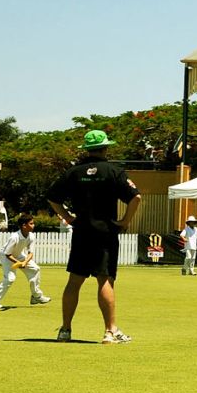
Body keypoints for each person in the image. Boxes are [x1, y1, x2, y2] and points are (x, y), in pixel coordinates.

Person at [46, 129, 142, 344]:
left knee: (74, 281)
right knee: (105, 279)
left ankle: (65, 330)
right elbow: (136, 197)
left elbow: (53, 198)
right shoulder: (114, 171)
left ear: (86, 149)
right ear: (106, 148)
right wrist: (125, 221)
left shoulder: (74, 172)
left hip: (82, 232)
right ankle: (110, 331)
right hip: (106, 233)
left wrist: (68, 218)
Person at [0, 213, 50, 309]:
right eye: (31, 223)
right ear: (24, 225)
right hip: (6, 256)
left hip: (19, 255)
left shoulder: (31, 236)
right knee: (10, 278)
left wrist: (24, 262)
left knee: (35, 269)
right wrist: (18, 263)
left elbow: (30, 253)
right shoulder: (14, 237)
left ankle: (36, 297)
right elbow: (7, 254)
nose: (33, 225)